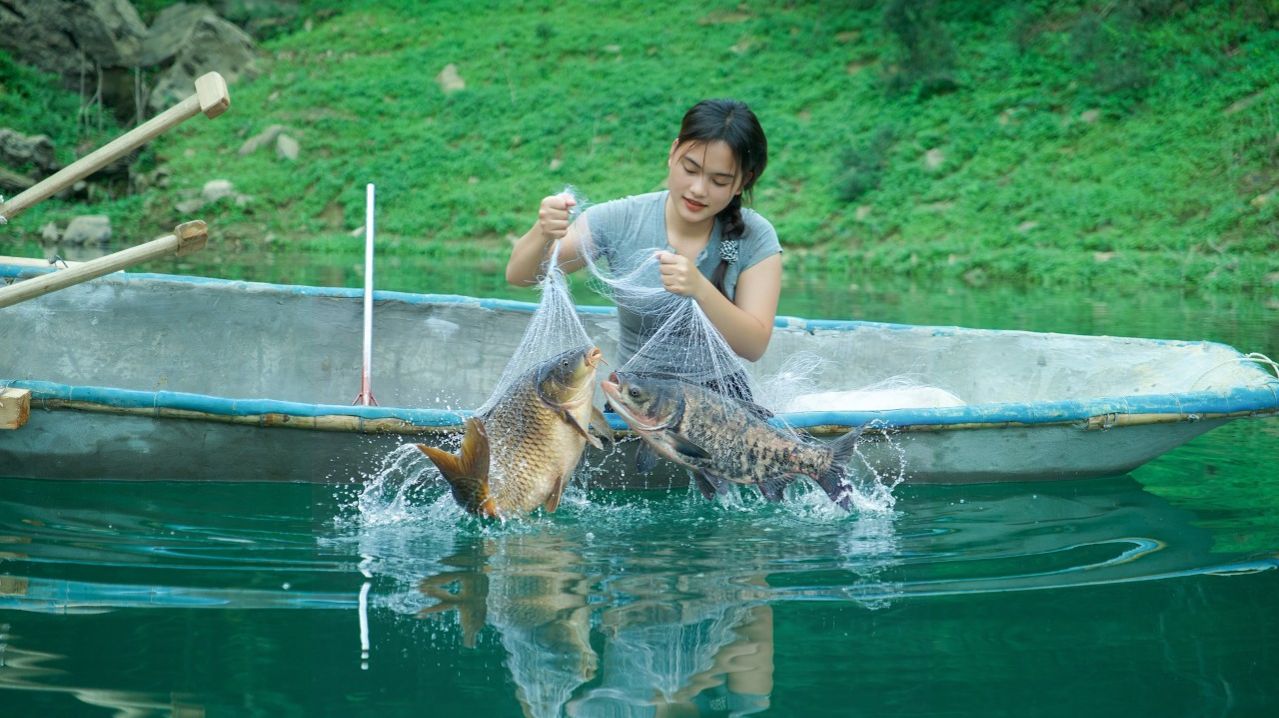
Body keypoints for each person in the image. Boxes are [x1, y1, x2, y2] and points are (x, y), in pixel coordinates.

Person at [505, 98, 781, 402]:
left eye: (719, 181)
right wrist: (542, 231)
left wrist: (700, 289)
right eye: (690, 169)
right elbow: (520, 276)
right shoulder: (621, 219)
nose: (698, 189)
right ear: (673, 153)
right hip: (635, 398)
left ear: (743, 182)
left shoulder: (755, 236)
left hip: (721, 403)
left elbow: (753, 346)